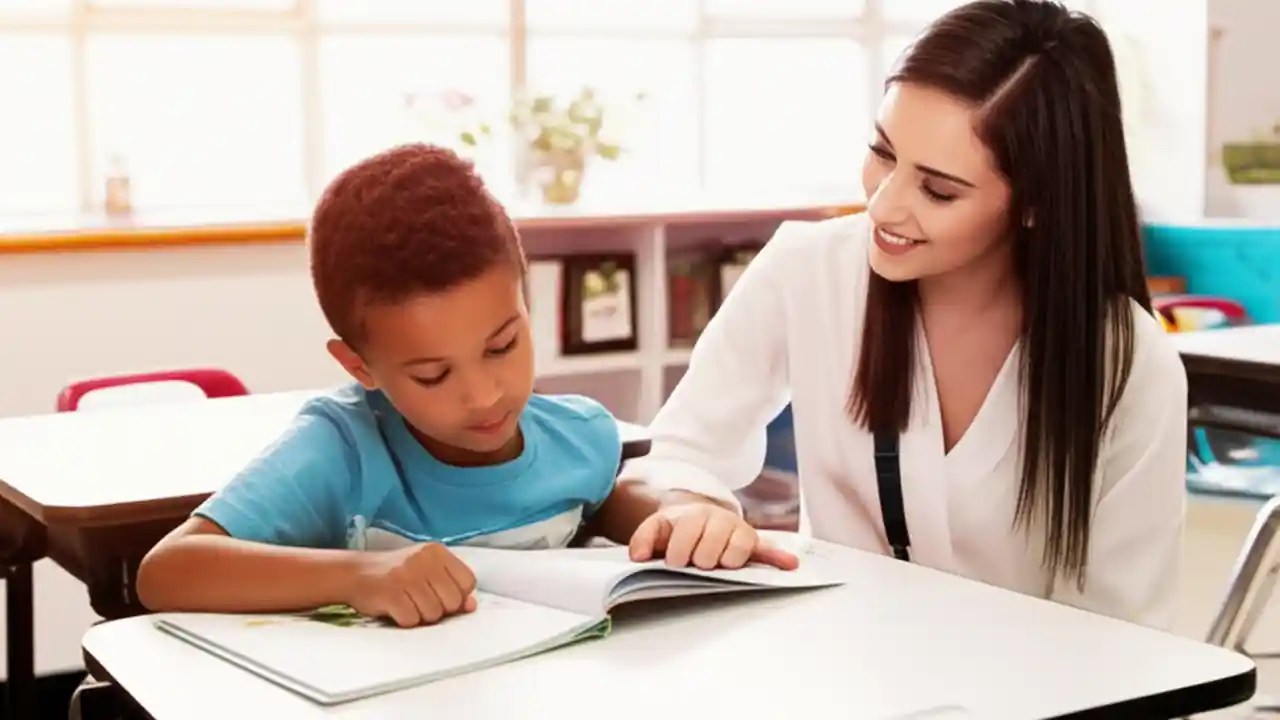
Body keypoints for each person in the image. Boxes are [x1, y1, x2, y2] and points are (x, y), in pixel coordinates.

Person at [593, 0, 1189, 630]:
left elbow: (1124, 632)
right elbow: (679, 453)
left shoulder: (1126, 361)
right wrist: (689, 506)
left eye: (938, 190)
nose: (882, 205)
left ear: (1036, 204)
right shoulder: (807, 269)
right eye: (883, 153)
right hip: (834, 664)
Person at [136, 144, 627, 628]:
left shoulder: (582, 438)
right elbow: (166, 573)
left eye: (502, 346)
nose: (484, 396)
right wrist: (359, 575)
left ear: (525, 299)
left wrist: (666, 513)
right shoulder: (342, 449)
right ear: (359, 367)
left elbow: (624, 504)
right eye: (432, 375)